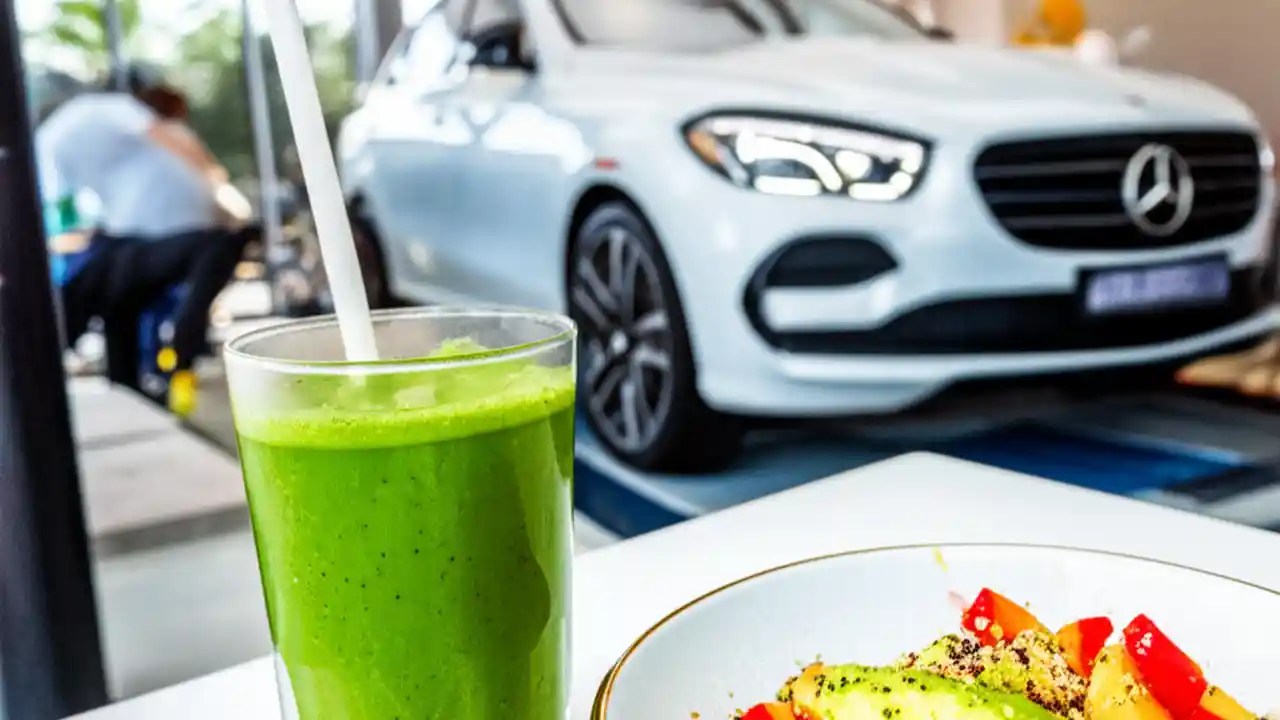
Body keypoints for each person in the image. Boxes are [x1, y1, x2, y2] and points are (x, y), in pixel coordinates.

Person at [37, 68, 253, 406]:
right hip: (176, 235)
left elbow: (67, 207)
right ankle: (177, 353)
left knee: (112, 292)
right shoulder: (108, 106)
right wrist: (217, 177)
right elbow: (163, 134)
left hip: (139, 239)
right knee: (119, 289)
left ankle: (124, 378)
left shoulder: (52, 140)